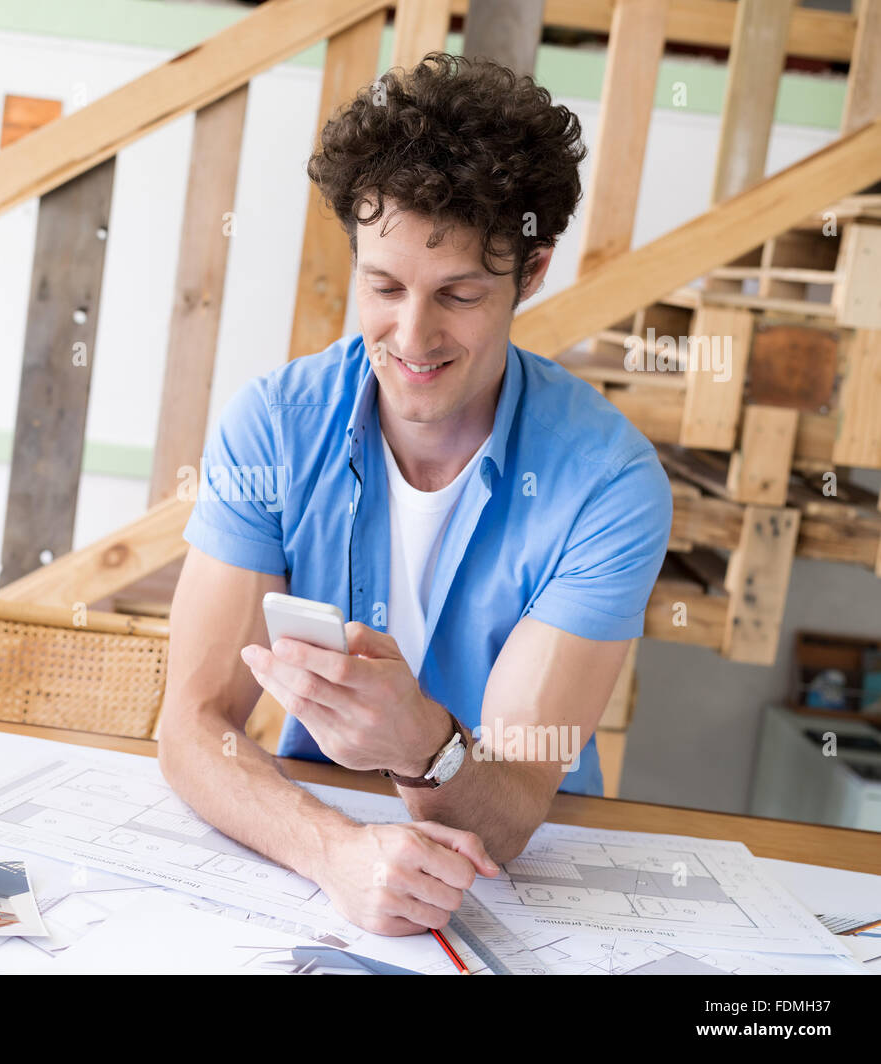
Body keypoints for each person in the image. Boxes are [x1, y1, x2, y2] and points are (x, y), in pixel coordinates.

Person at [157, 53, 672, 937]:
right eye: (384, 286)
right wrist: (335, 854)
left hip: (528, 892)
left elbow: (509, 811)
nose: (413, 336)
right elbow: (192, 728)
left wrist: (420, 747)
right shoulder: (272, 427)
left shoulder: (608, 485)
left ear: (534, 270)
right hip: (309, 862)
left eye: (460, 294)